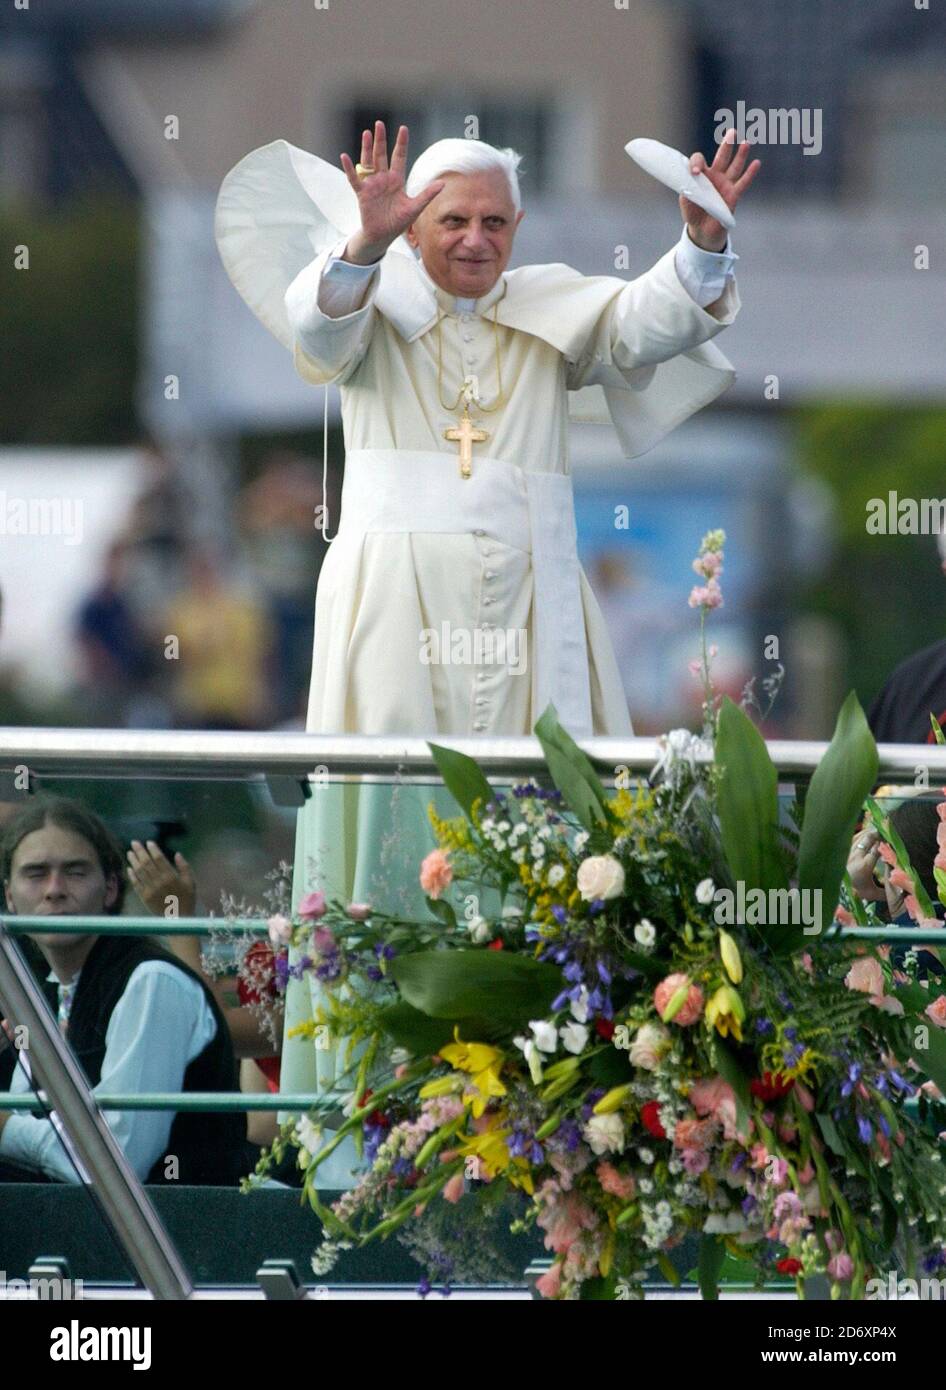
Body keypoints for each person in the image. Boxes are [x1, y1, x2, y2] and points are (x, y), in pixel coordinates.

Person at [215, 119, 758, 1185]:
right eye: (450, 218)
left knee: (548, 854)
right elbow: (319, 335)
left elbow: (649, 322)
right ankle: (364, 1125)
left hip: (535, 606)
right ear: (414, 222)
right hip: (393, 612)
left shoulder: (552, 302)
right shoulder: (368, 295)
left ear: (518, 226)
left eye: (493, 220)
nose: (473, 239)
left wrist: (699, 241)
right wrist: (366, 246)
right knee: (388, 842)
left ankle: (546, 1120)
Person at [0, 797, 247, 1184]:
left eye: (76, 872)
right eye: (35, 874)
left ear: (111, 888)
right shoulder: (43, 988)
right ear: (10, 897)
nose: (54, 890)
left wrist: (4, 1128)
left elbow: (117, 1160)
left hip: (192, 1232)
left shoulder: (151, 982)